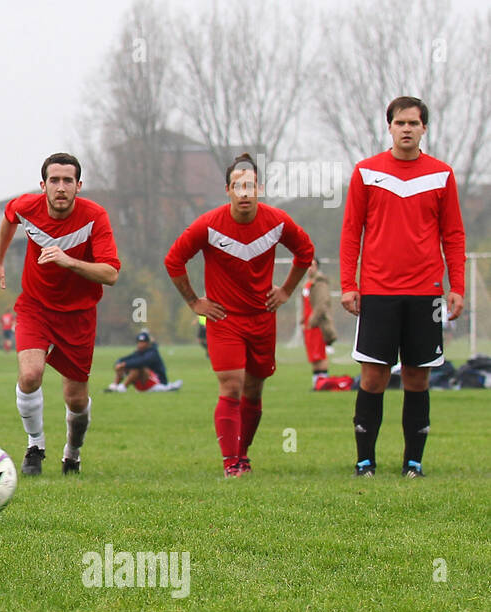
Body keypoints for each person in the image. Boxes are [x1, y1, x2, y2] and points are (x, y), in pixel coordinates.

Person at [165, 152, 314, 477]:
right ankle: (230, 462)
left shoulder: (277, 221)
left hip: (262, 318)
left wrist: (286, 290)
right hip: (224, 320)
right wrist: (194, 302)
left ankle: (242, 455)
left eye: (250, 186)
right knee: (231, 386)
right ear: (228, 190)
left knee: (254, 390)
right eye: (237, 186)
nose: (244, 192)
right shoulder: (207, 225)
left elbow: (305, 251)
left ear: (258, 189)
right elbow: (173, 260)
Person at [340, 96, 465, 478]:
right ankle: (365, 462)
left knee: (417, 375)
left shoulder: (441, 174)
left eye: (414, 123)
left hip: (425, 293)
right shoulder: (366, 172)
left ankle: (413, 462)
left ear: (424, 128)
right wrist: (349, 283)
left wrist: (455, 285)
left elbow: (454, 235)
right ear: (390, 127)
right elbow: (351, 232)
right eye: (400, 123)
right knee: (374, 376)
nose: (406, 128)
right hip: (377, 291)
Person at [0, 152, 120, 476]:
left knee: (75, 399)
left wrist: (69, 261)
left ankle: (72, 453)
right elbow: (8, 217)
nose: (61, 187)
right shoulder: (26, 206)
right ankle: (35, 446)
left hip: (79, 315)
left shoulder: (95, 217)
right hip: (35, 307)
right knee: (30, 375)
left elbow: (111, 274)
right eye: (54, 181)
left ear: (78, 186)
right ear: (43, 185)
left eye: (68, 181)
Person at [301, 257, 337, 387]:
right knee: (313, 356)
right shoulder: (307, 283)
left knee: (320, 354)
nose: (310, 268)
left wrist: (312, 319)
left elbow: (322, 304)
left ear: (317, 267)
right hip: (308, 325)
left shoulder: (320, 282)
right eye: (308, 265)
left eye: (313, 265)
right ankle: (317, 383)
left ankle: (323, 384)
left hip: (317, 325)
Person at [107, 331, 181, 392]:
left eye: (143, 342)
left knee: (137, 367)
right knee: (124, 366)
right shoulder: (139, 352)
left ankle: (123, 387)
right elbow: (125, 359)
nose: (140, 344)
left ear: (148, 343)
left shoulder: (152, 353)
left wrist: (124, 364)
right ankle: (114, 385)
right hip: (144, 383)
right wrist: (119, 363)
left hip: (157, 382)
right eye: (139, 342)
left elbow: (142, 362)